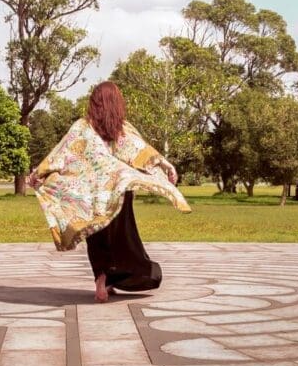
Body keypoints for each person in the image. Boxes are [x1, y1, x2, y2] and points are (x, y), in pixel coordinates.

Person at [27, 81, 191, 302]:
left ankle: (102, 279)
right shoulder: (121, 130)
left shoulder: (83, 127)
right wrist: (165, 165)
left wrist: (39, 172)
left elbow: (62, 154)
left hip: (92, 193)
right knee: (122, 235)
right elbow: (142, 153)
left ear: (94, 103)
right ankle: (118, 275)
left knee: (96, 235)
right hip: (118, 191)